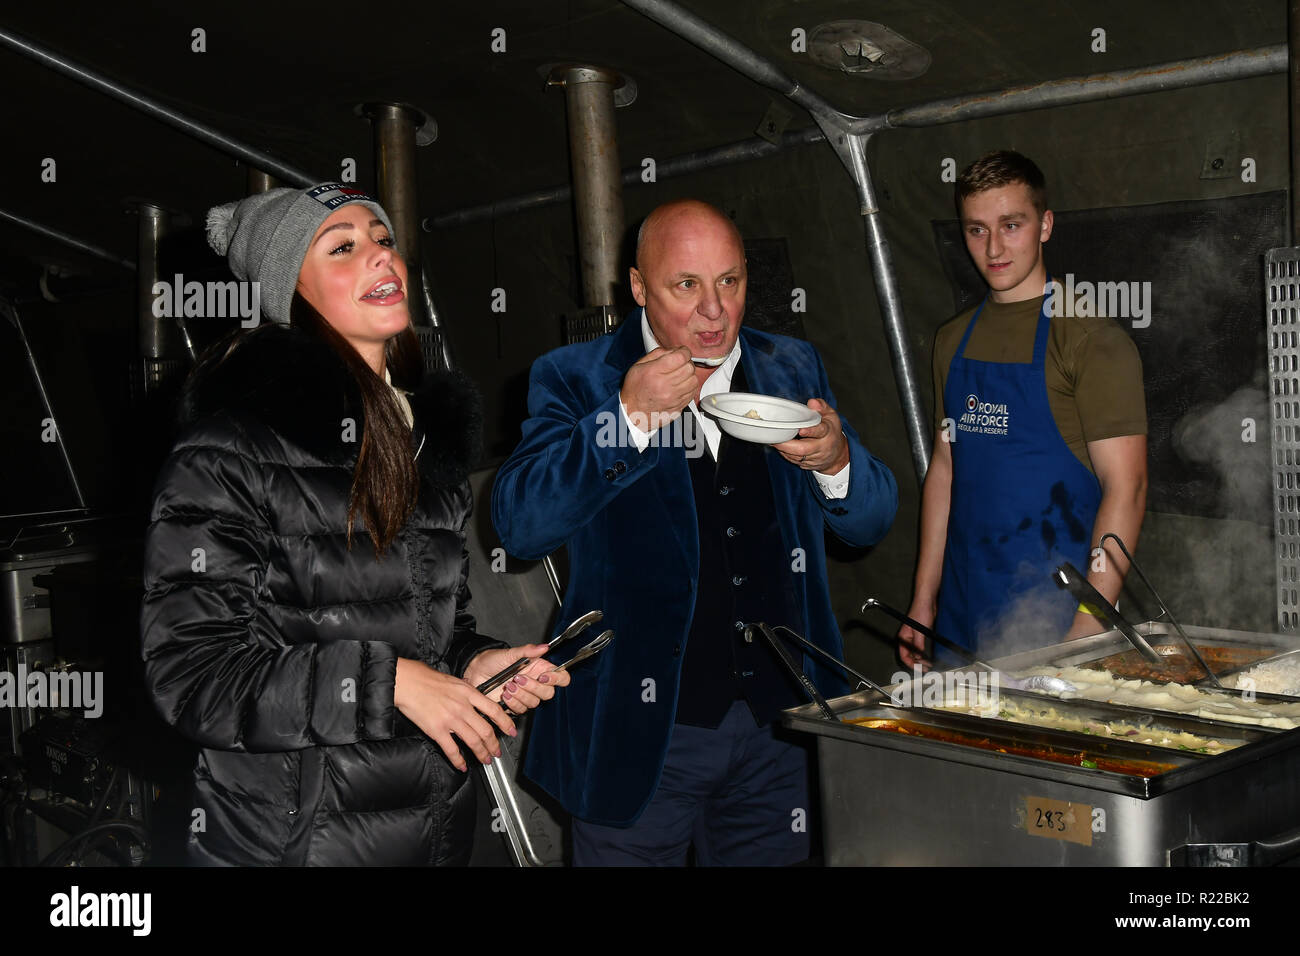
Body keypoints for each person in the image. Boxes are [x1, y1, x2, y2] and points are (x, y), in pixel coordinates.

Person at [140, 183, 568, 866]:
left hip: (431, 829)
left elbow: (433, 632)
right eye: (343, 247)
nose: (380, 257)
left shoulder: (424, 447)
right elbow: (193, 675)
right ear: (293, 291)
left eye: (384, 239)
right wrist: (388, 683)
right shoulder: (231, 452)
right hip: (292, 843)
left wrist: (474, 662)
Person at [491, 199, 897, 865]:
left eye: (729, 282)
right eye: (686, 286)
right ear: (639, 287)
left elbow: (873, 520)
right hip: (638, 732)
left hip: (781, 728)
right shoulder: (577, 377)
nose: (714, 312)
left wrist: (837, 461)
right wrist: (627, 417)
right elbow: (519, 526)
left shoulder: (792, 366)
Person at [899, 151, 1148, 669]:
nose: (993, 248)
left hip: (1060, 618)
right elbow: (945, 471)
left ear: (1045, 225)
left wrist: (1089, 621)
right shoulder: (950, 340)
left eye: (1012, 225)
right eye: (976, 230)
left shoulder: (1089, 339)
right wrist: (924, 600)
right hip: (962, 612)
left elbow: (1128, 487)